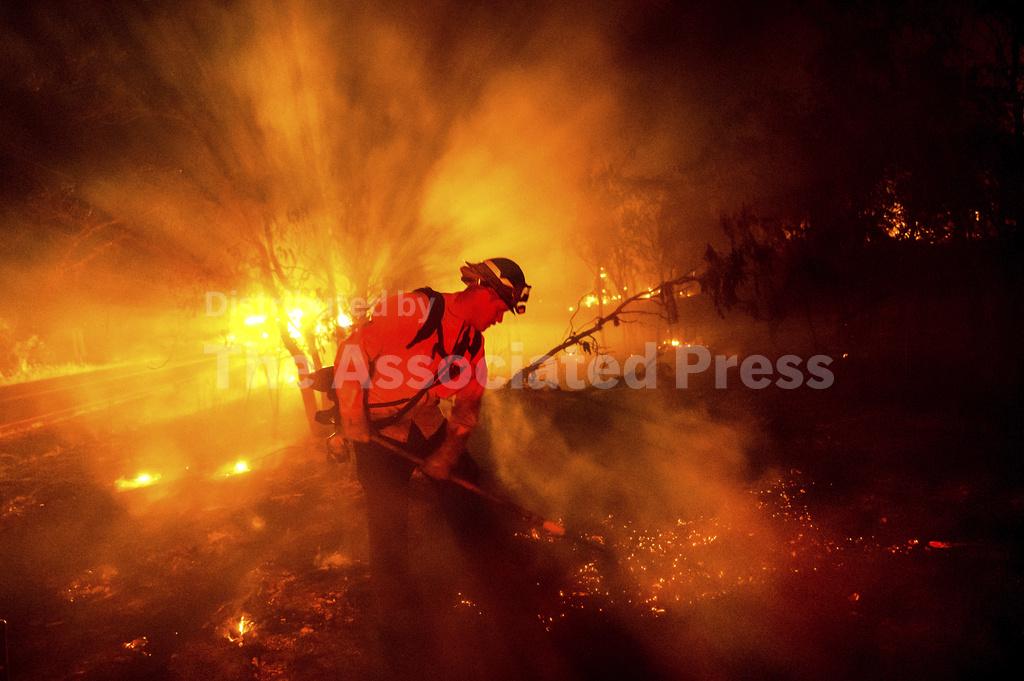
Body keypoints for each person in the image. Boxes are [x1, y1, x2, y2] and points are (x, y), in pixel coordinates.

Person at [331, 258, 531, 666]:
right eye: (500, 308)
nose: (499, 319)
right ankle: (397, 623)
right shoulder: (413, 309)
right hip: (378, 432)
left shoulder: (473, 344)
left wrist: (446, 455)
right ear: (484, 291)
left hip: (424, 423)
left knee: (468, 487)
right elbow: (351, 352)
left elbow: (467, 409)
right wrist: (352, 421)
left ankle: (497, 584)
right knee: (387, 523)